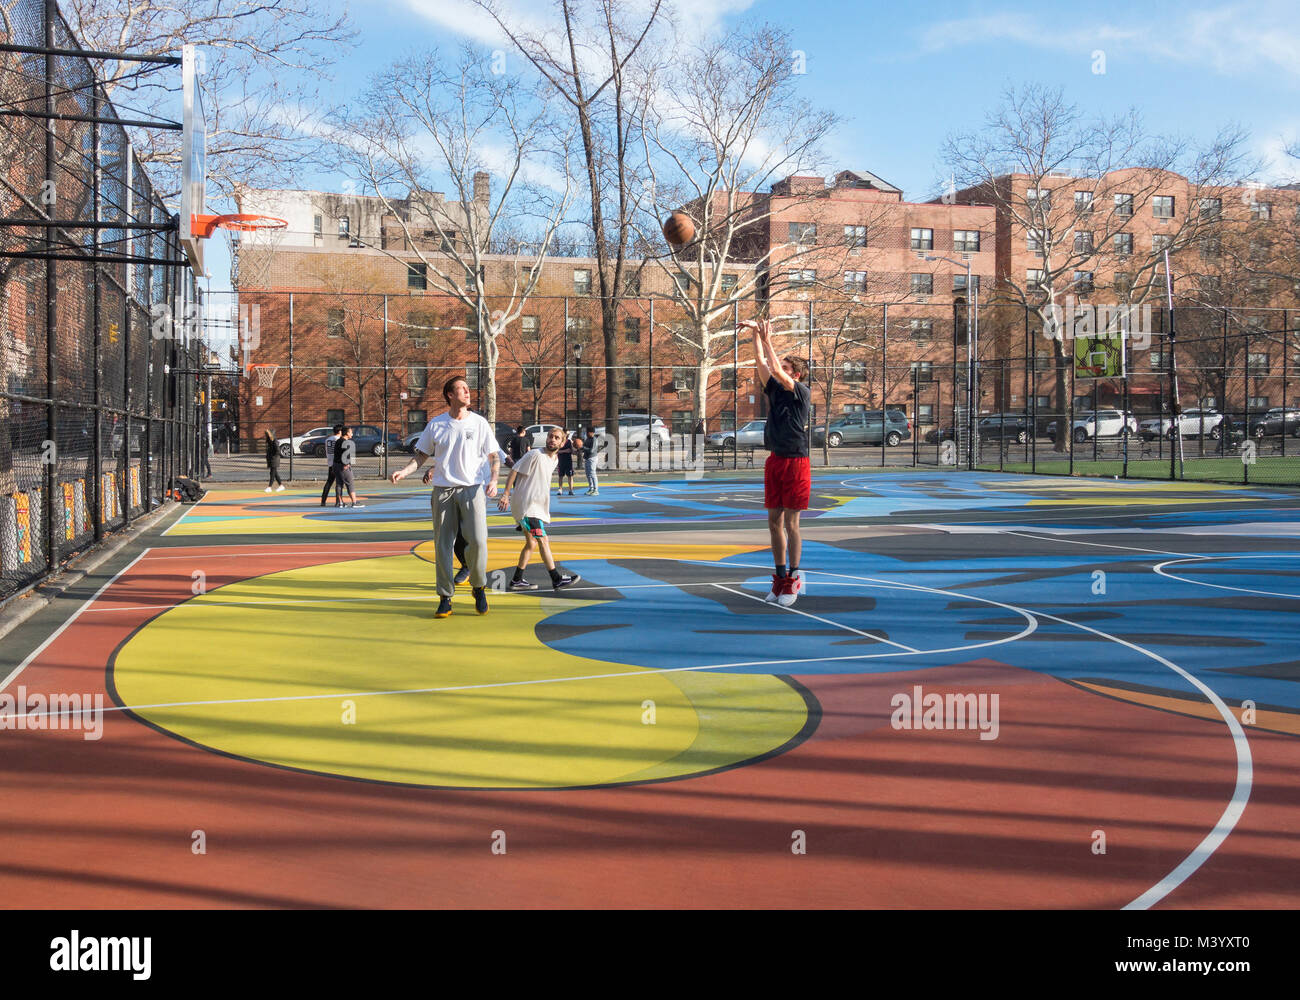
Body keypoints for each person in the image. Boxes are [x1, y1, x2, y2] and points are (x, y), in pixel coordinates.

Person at [391, 375, 499, 618]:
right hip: (443, 491)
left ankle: (478, 587)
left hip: (473, 490)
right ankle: (445, 597)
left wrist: (494, 480)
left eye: (467, 388)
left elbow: (494, 456)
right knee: (442, 545)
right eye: (461, 389)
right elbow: (421, 455)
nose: (467, 392)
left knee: (479, 542)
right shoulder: (437, 424)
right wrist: (404, 471)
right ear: (450, 395)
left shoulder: (479, 423)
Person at [741, 318, 811, 607]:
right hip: (776, 460)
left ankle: (794, 578)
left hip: (796, 461)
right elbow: (760, 360)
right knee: (773, 522)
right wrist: (756, 334)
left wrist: (769, 339)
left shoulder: (800, 392)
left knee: (792, 523)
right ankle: (780, 578)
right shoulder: (773, 389)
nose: (776, 368)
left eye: (784, 366)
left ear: (795, 373)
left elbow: (778, 371)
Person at [497, 427, 580, 591]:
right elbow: (514, 470)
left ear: (562, 442)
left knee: (531, 544)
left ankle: (517, 580)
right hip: (529, 507)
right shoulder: (535, 454)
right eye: (550, 436)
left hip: (535, 507)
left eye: (556, 437)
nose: (552, 440)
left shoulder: (554, 459)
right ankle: (556, 578)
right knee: (543, 540)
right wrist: (506, 494)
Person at [427, 444, 506, 586]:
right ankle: (466, 566)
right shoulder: (458, 435)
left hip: (479, 491)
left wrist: (503, 485)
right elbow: (448, 461)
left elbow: (504, 459)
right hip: (455, 491)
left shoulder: (483, 434)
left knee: (474, 537)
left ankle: (475, 576)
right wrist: (432, 470)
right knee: (456, 533)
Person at [320, 424, 343, 507]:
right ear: (340, 431)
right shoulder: (339, 439)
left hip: (330, 462)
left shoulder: (328, 439)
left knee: (329, 482)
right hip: (337, 463)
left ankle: (323, 501)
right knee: (339, 483)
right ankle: (338, 501)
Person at [555, 430, 575, 496]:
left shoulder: (569, 441)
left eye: (568, 434)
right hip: (561, 461)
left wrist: (575, 447)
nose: (568, 435)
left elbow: (572, 451)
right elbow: (556, 451)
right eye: (567, 434)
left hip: (568, 461)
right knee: (560, 476)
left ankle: (571, 490)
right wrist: (565, 451)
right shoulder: (559, 441)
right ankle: (560, 489)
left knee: (570, 476)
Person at [581, 427, 600, 496]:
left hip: (592, 458)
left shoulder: (594, 439)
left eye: (587, 432)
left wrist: (583, 447)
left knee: (592, 473)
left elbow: (591, 450)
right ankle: (591, 488)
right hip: (587, 458)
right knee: (588, 474)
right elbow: (584, 447)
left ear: (591, 432)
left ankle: (596, 490)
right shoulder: (587, 439)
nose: (586, 433)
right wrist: (580, 448)